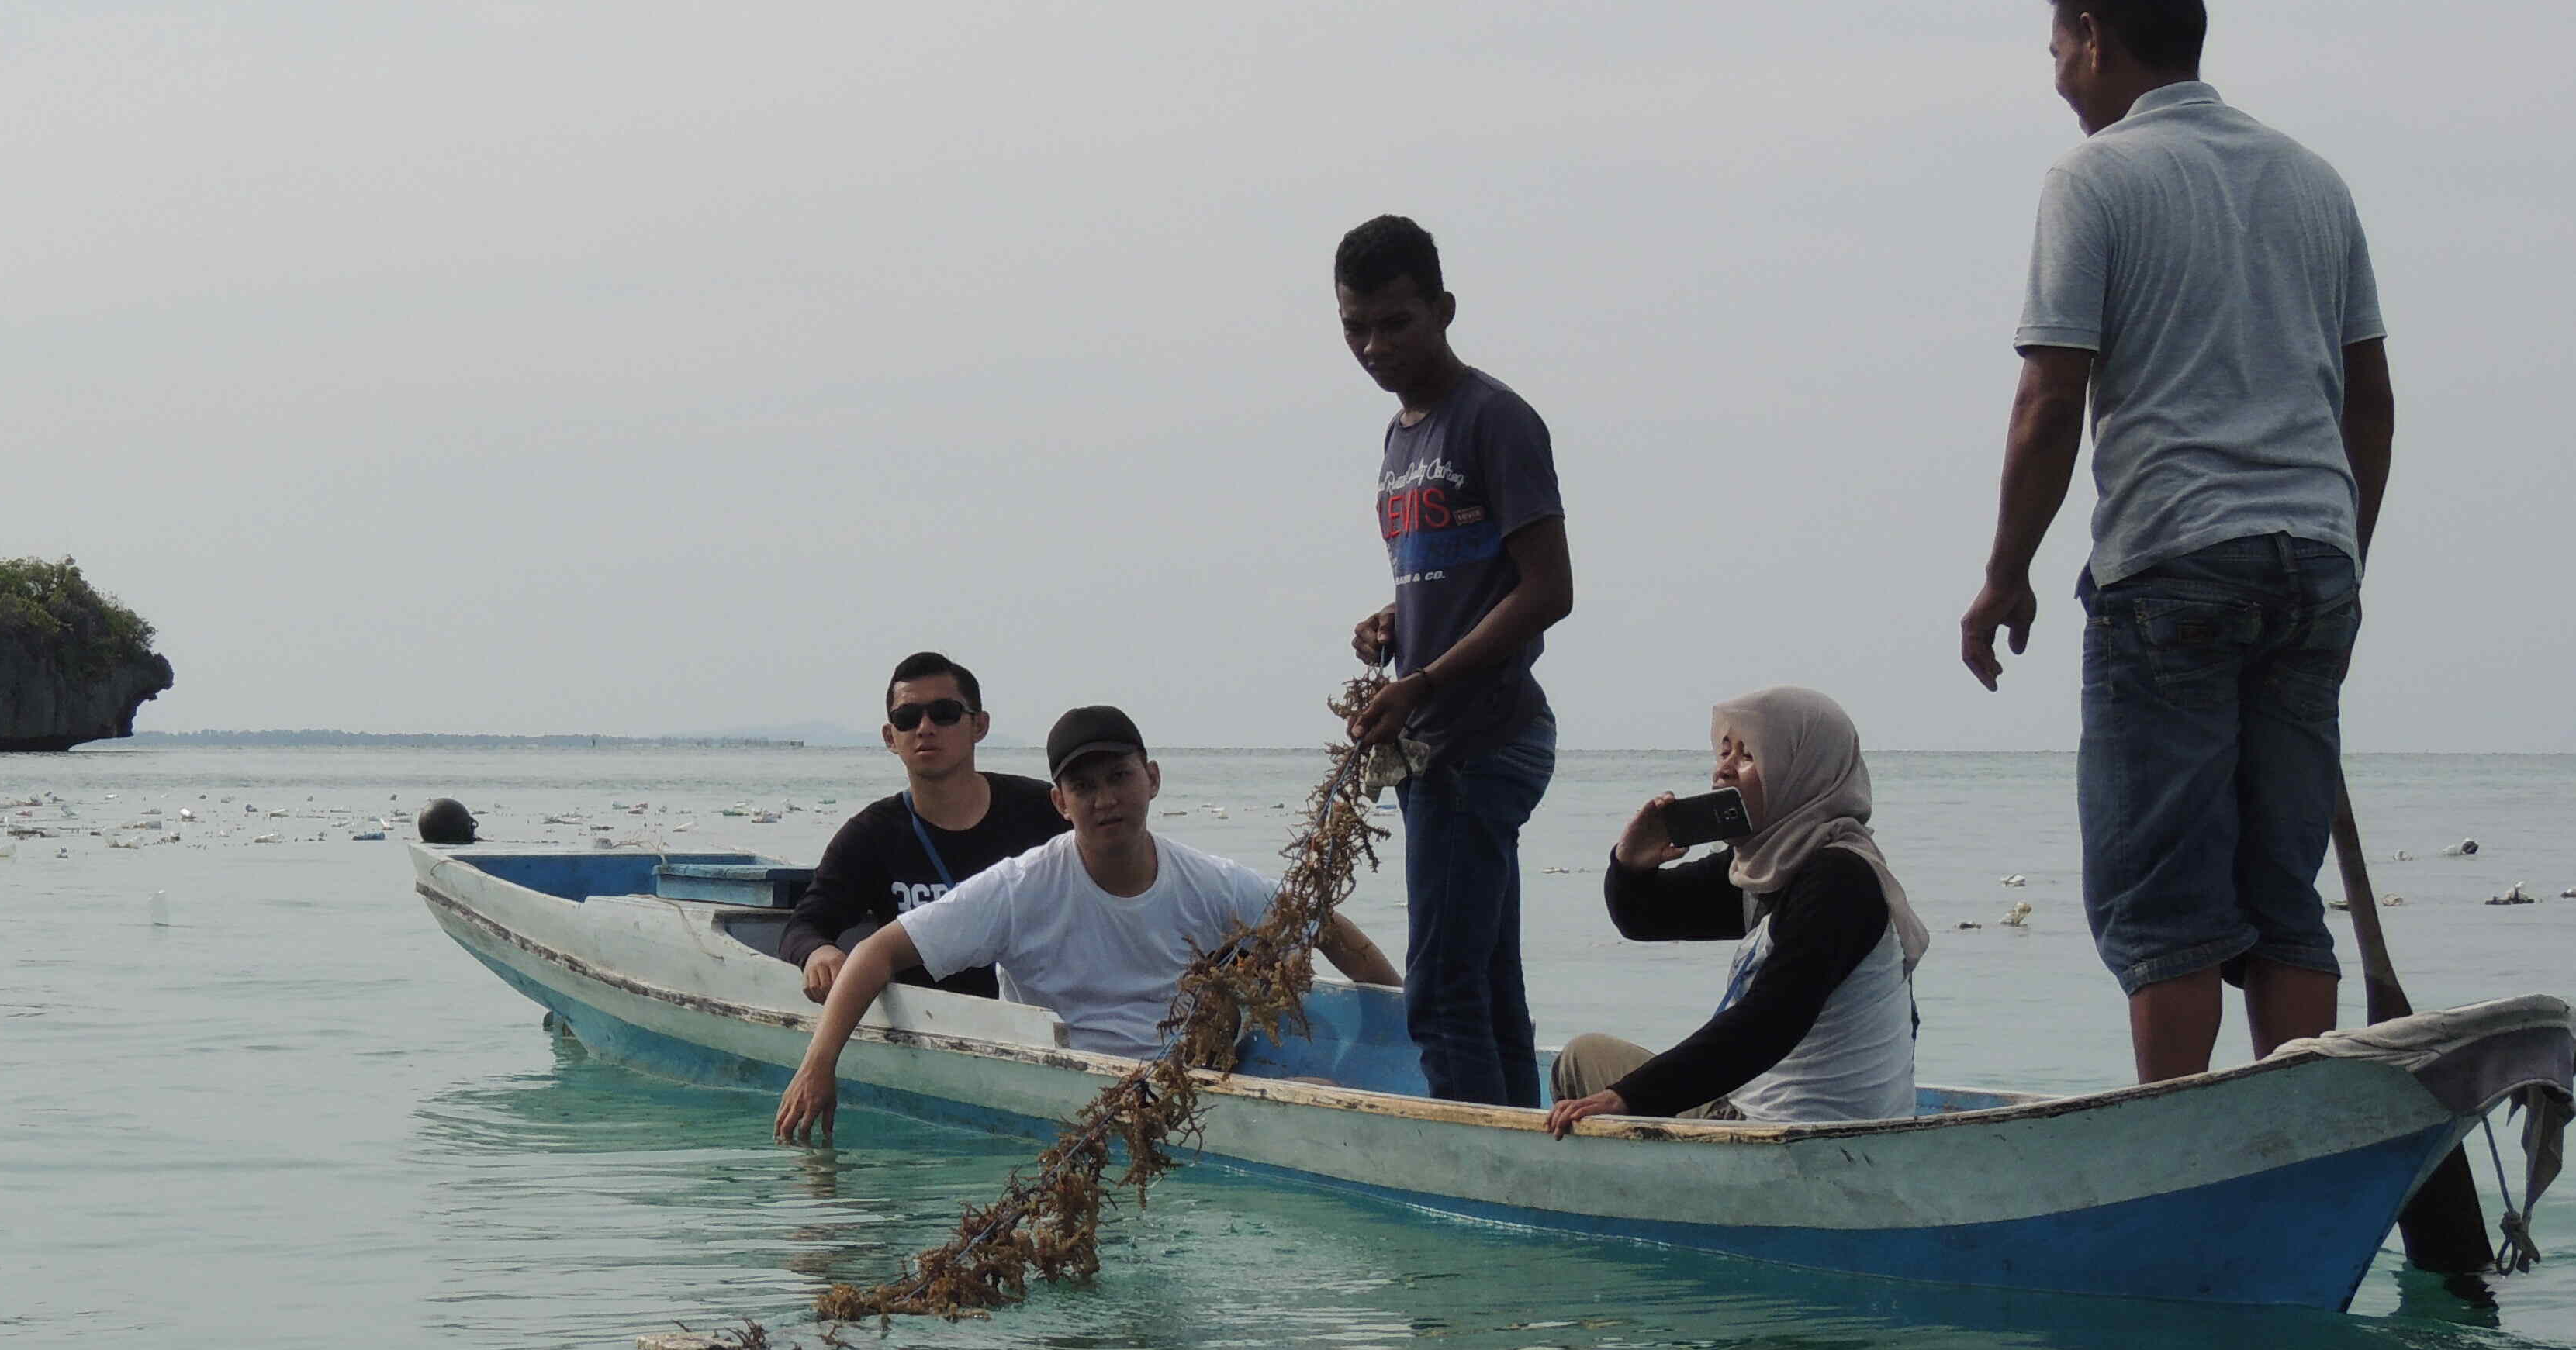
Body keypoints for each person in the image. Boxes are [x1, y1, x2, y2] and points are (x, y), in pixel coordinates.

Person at [1958, 0, 2393, 1082]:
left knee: (2167, 902)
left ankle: (2183, 1148)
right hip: (2313, 562)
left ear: (2096, 37)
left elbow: (2052, 400)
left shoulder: (2095, 179)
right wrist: (2339, 553)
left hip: (2175, 570)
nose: (2056, 76)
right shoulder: (2313, 179)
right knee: (2281, 900)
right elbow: (2371, 401)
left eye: (2058, 48)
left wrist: (2006, 573)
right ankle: (2297, 1148)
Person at [774, 706, 1401, 1145]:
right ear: (1060, 801)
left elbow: (1331, 930)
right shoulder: (1021, 887)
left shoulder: (1211, 881)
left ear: (1151, 778)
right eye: (1084, 785)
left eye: (1120, 778)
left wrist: (1401, 1021)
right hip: (1074, 1096)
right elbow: (878, 952)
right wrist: (818, 1065)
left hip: (1192, 1085)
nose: (1106, 800)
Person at [1333, 214, 1573, 1108]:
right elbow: (1466, 573)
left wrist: (1427, 679)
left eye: (1395, 322)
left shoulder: (1494, 419)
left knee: (1438, 993)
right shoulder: (1402, 438)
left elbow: (1548, 588)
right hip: (1436, 735)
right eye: (1355, 326)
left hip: (1482, 736)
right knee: (1484, 979)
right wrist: (1398, 619)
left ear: (1443, 308)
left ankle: (1478, 1169)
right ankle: (1529, 1156)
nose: (1373, 345)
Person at [1544, 688, 1924, 1134]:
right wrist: (1630, 864)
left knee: (1578, 1061)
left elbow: (1769, 1020)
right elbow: (1647, 918)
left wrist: (1628, 1096)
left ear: (1799, 769)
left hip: (1794, 1131)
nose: (1722, 770)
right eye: (1723, 752)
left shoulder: (1838, 879)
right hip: (1804, 1123)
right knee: (1591, 1057)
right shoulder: (1775, 862)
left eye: (1748, 756)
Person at [776, 651, 1069, 1002]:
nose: (925, 728)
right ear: (889, 737)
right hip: (927, 1022)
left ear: (979, 725)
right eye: (907, 717)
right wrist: (818, 953)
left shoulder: (1043, 811)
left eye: (945, 713)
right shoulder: (872, 835)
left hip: (1042, 1017)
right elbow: (804, 925)